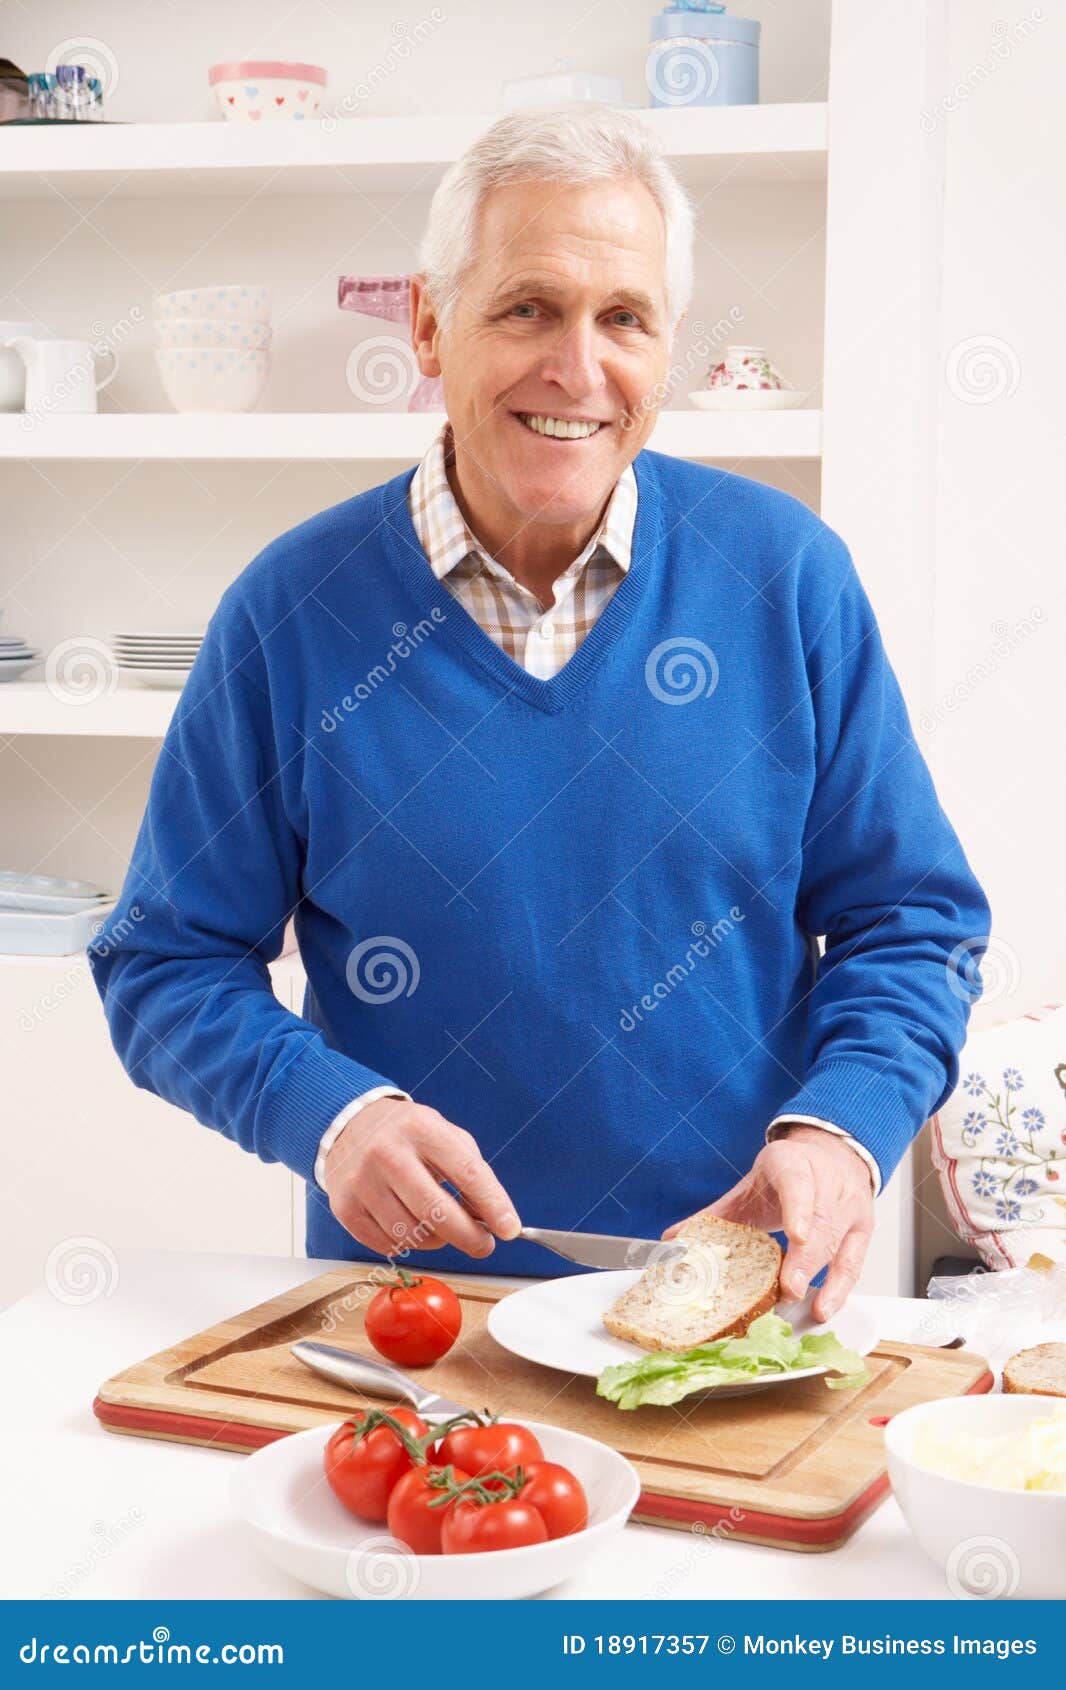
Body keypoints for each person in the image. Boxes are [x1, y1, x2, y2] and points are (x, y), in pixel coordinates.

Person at [90, 107, 991, 1321]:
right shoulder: (290, 612)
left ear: (664, 351)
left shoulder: (785, 578)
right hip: (412, 1324)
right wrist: (333, 1116)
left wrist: (842, 1128)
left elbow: (911, 919)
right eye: (526, 307)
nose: (577, 368)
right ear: (426, 323)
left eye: (624, 318)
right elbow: (163, 957)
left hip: (736, 1316)